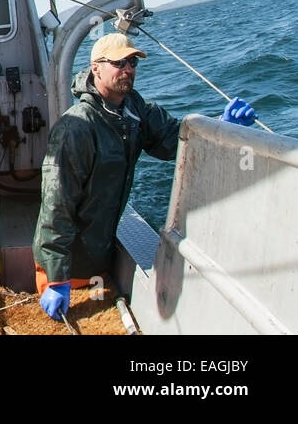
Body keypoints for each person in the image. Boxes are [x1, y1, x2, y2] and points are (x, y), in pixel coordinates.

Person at [33, 31, 257, 321]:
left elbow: (175, 140)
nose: (128, 69)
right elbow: (56, 206)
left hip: (97, 258)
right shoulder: (75, 128)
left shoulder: (133, 110)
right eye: (120, 63)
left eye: (133, 63)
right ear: (96, 68)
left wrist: (220, 128)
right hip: (64, 268)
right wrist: (55, 277)